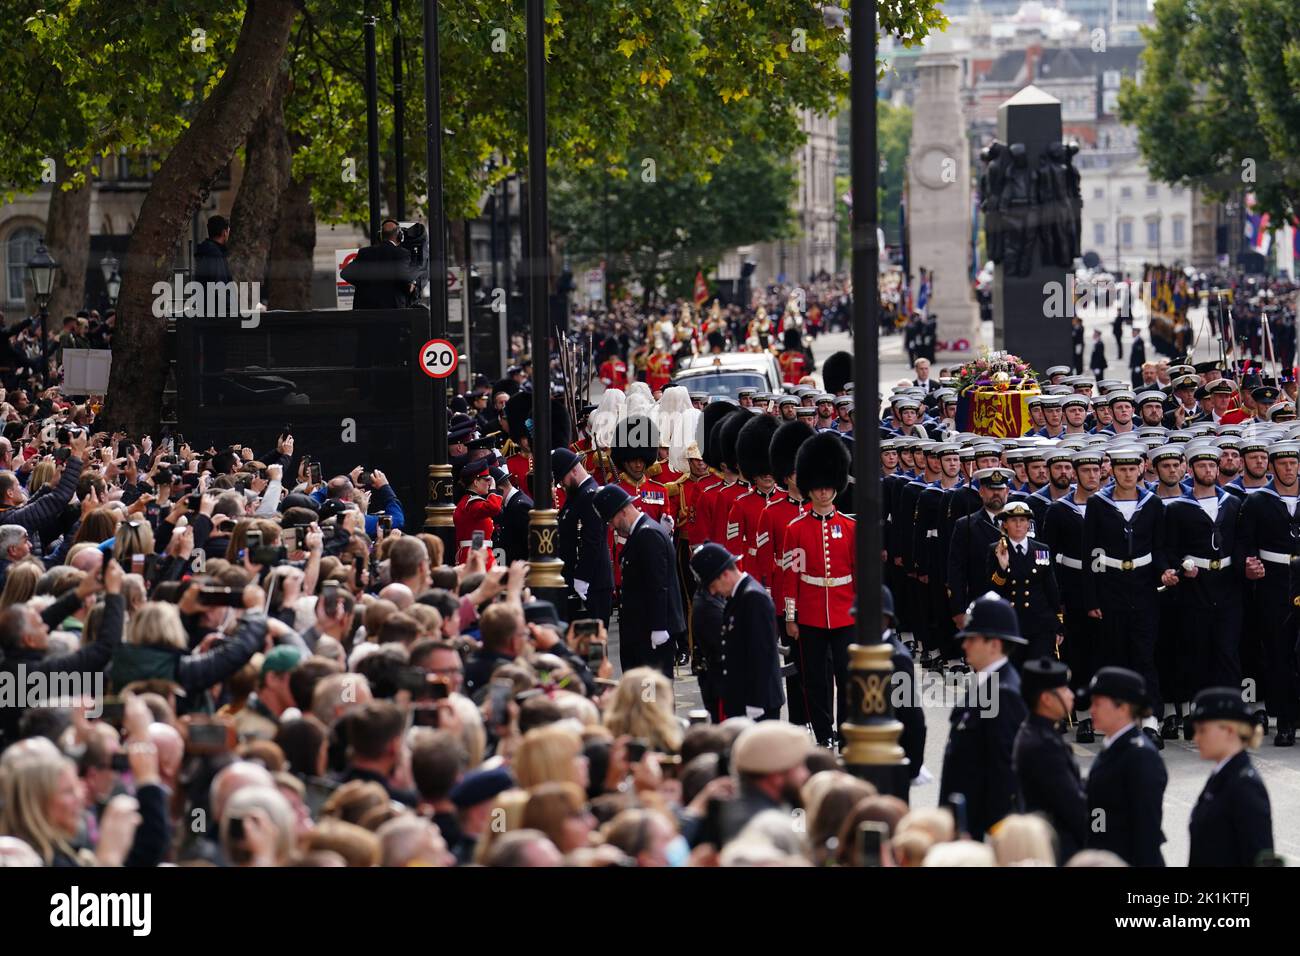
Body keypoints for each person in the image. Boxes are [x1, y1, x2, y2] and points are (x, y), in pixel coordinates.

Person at [782, 432, 855, 748]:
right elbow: (790, 575)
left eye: (828, 486)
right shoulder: (795, 529)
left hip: (845, 612)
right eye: (819, 486)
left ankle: (848, 733)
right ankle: (824, 733)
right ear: (809, 488)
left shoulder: (851, 528)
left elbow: (859, 573)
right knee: (814, 680)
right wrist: (790, 616)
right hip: (810, 612)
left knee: (847, 677)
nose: (824, 492)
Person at [938, 592, 1029, 841]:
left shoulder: (1004, 694)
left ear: (994, 644)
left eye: (972, 638)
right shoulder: (987, 684)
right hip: (965, 822)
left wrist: (994, 834)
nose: (964, 645)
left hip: (981, 831)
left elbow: (1004, 774)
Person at [594, 483, 684, 677]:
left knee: (650, 697)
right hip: (642, 633)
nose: (611, 526)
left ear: (624, 511)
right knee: (644, 697)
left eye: (611, 519)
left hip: (649, 634)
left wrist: (659, 626)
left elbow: (658, 584)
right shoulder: (642, 533)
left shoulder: (647, 534)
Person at [1080, 666, 1168, 866]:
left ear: (1123, 708)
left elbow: (1146, 830)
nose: (1091, 710)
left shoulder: (1141, 757)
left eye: (1098, 703)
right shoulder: (1114, 746)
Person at [689, 542, 784, 721]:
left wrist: (756, 702)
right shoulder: (739, 595)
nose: (713, 591)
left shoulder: (753, 598)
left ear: (724, 575)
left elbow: (761, 654)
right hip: (743, 697)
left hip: (756, 701)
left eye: (712, 584)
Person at [1186, 687, 1274, 867]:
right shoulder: (1222, 775)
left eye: (1203, 730)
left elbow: (1259, 858)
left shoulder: (1245, 786)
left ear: (1229, 731)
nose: (1196, 738)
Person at [1012, 658, 1087, 861]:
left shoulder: (1038, 732)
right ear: (1046, 698)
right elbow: (1072, 806)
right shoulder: (1043, 745)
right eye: (1064, 690)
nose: (1071, 695)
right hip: (1056, 847)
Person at [987, 500, 1061, 660]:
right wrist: (1002, 568)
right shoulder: (996, 549)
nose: (1019, 525)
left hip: (1039, 622)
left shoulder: (1042, 550)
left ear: (1029, 524)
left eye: (1023, 520)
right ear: (1005, 524)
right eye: (1013, 520)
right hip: (1010, 623)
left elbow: (1051, 589)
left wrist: (1058, 622)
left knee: (1038, 675)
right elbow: (992, 591)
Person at [554, 448, 614, 626]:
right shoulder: (578, 494)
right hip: (582, 581)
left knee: (592, 646)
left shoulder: (589, 495)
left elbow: (592, 540)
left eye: (562, 479)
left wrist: (582, 577)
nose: (562, 485)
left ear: (573, 470)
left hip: (591, 583)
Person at [339, 218, 417, 309]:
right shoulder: (402, 253)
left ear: (380, 236)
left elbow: (345, 273)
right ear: (399, 236)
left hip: (365, 310)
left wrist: (365, 285)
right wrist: (411, 287)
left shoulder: (365, 252)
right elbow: (404, 280)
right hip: (392, 311)